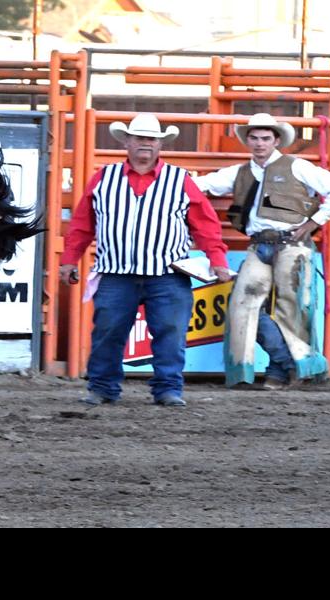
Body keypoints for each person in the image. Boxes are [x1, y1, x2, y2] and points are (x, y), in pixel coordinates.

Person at [58, 113, 232, 407]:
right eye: (139, 138)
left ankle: (167, 388)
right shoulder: (103, 177)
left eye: (150, 139)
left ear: (159, 144)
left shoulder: (181, 180)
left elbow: (205, 225)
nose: (145, 144)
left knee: (170, 332)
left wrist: (217, 258)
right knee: (108, 331)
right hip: (116, 270)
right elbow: (82, 224)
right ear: (126, 141)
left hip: (167, 271)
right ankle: (103, 386)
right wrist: (69, 259)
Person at [192, 113, 330, 389]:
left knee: (289, 308)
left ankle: (281, 371)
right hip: (260, 243)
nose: (259, 143)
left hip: (292, 243)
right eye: (254, 138)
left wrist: (314, 222)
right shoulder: (239, 172)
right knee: (243, 304)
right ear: (248, 141)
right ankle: (289, 366)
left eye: (265, 138)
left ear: (276, 141)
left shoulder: (298, 166)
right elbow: (201, 185)